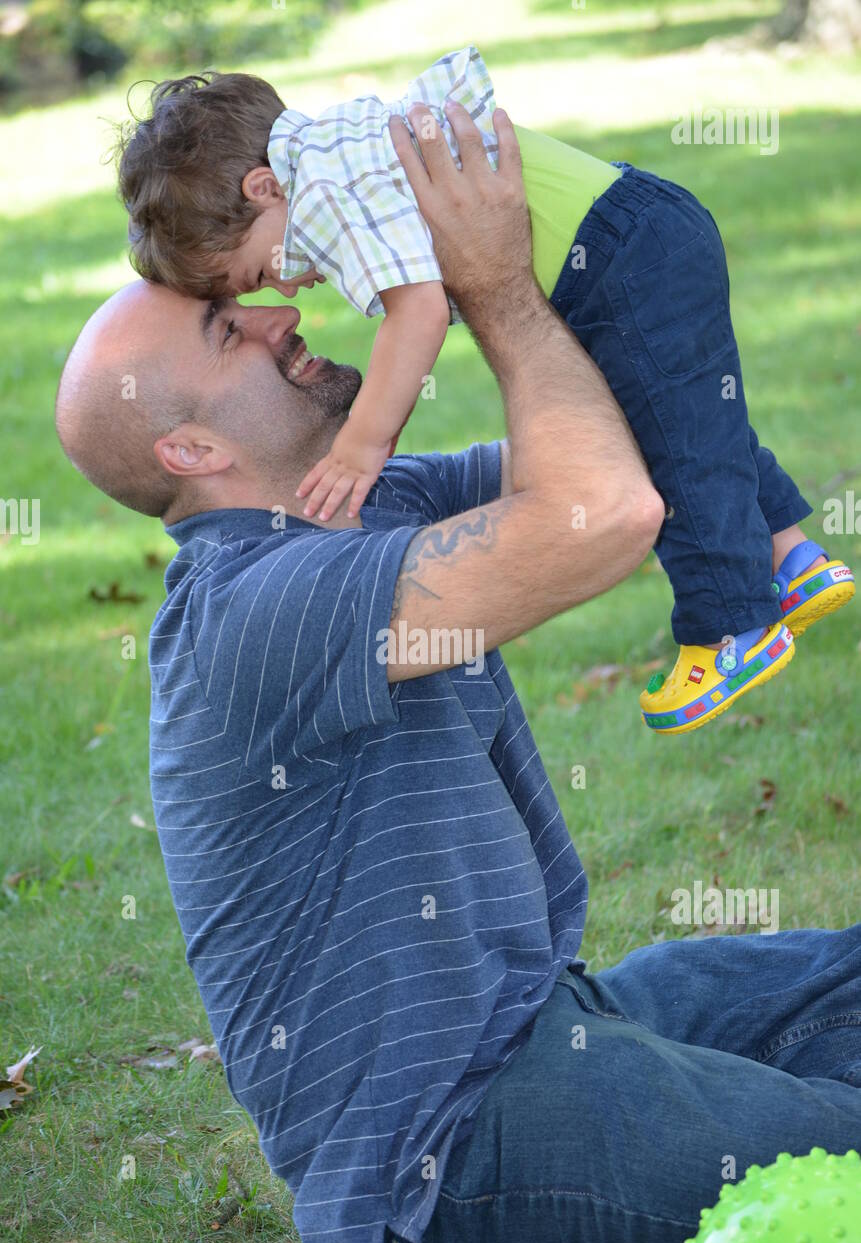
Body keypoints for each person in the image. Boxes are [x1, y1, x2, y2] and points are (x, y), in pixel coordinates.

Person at [56, 104, 861, 1243]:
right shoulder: (249, 610)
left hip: (553, 1020)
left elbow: (619, 455)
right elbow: (604, 518)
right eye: (233, 330)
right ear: (190, 452)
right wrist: (485, 288)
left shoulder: (360, 502)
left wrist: (560, 240)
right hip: (450, 1143)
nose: (284, 310)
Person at [115, 47, 854, 735]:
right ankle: (790, 556)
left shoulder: (326, 198)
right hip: (635, 228)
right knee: (678, 419)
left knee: (675, 430)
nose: (282, 287)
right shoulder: (336, 150)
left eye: (257, 271)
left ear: (264, 188)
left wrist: (363, 441)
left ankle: (731, 627)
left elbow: (420, 312)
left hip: (615, 258)